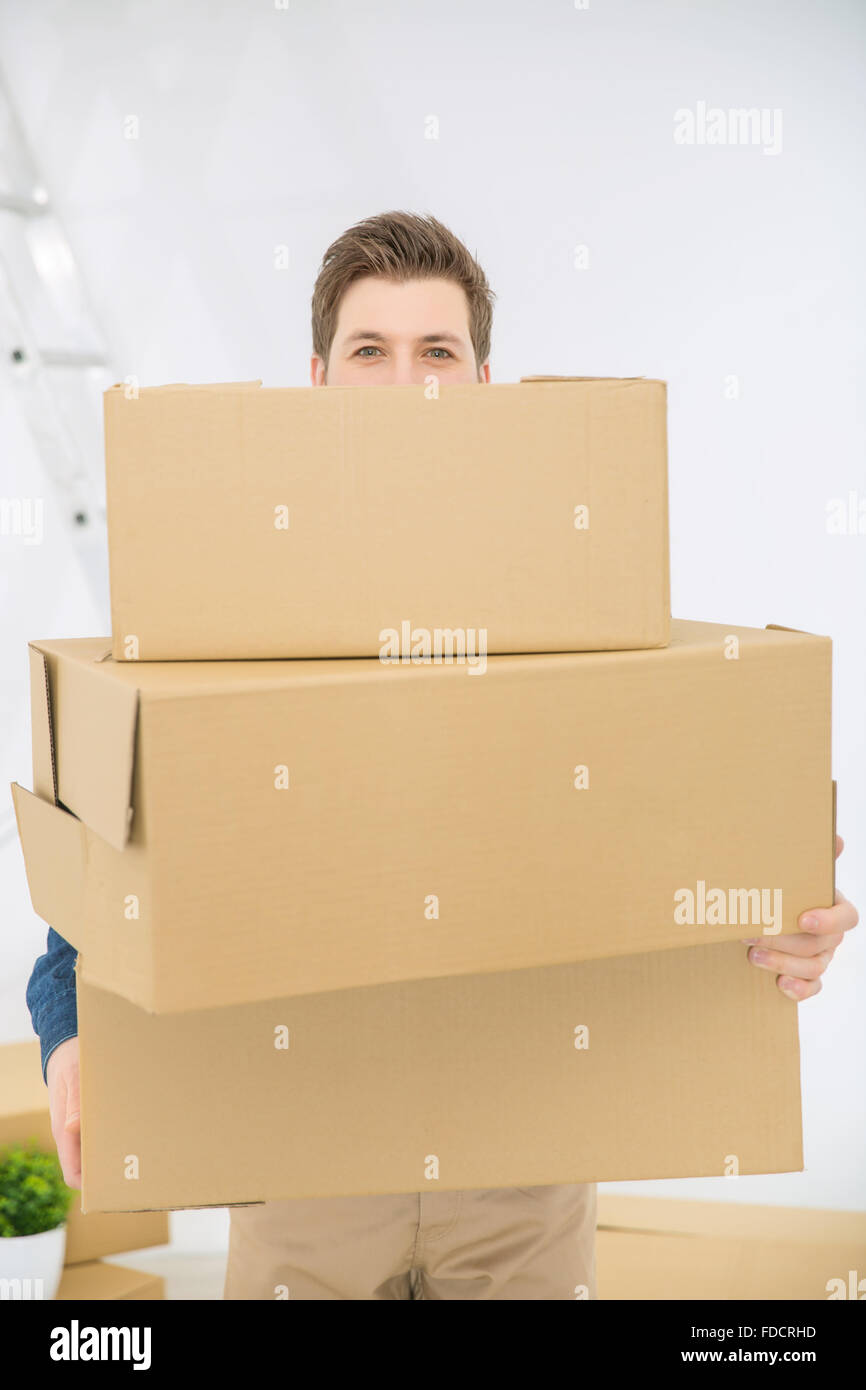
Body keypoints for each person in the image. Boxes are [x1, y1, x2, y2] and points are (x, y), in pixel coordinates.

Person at [26, 211, 860, 1300]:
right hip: (296, 1172)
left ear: (478, 382)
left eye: (437, 353)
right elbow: (103, 880)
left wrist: (784, 915)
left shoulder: (577, 606)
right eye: (371, 351)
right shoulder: (219, 603)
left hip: (524, 1175)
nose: (406, 382)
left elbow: (670, 820)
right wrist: (68, 1032)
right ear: (318, 377)